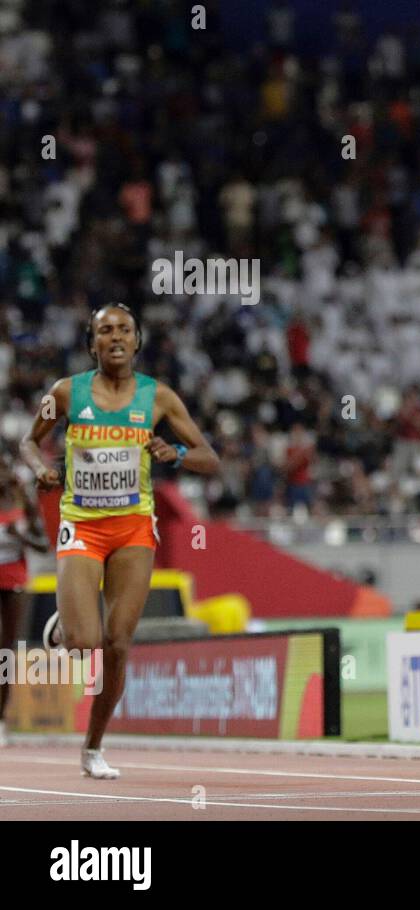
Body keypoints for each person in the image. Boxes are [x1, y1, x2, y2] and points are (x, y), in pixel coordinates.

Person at [19, 304, 220, 778]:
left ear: (136, 341)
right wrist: (41, 471)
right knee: (86, 640)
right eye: (104, 330)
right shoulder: (66, 393)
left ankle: (93, 748)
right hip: (82, 525)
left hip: (133, 528)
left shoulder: (160, 398)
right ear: (92, 344)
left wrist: (178, 453)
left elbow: (210, 459)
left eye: (124, 330)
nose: (115, 337)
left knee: (118, 643)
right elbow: (29, 442)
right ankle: (64, 631)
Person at [0, 456, 49, 747]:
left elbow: (44, 544)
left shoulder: (24, 502)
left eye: (5, 469)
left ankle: (1, 718)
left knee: (6, 652)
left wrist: (21, 535)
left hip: (15, 581)